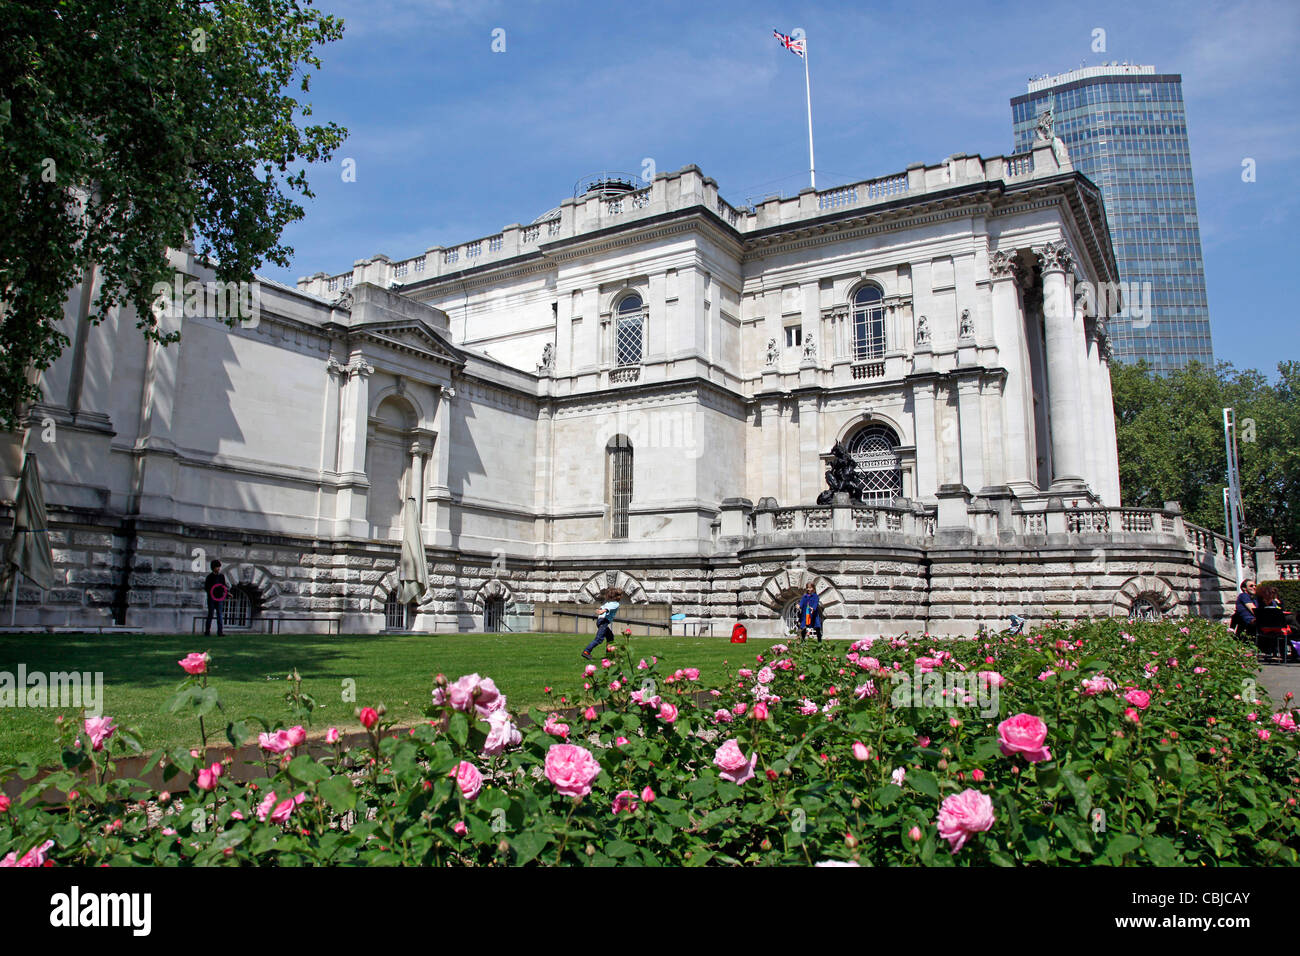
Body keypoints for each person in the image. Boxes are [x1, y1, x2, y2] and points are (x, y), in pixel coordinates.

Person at [203, 559, 227, 637]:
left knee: (220, 615)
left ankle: (220, 632)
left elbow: (223, 586)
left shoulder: (221, 576)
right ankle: (207, 631)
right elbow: (207, 587)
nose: (218, 569)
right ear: (213, 568)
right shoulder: (209, 577)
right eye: (217, 567)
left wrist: (226, 593)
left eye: (219, 567)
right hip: (212, 598)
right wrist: (211, 593)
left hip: (219, 598)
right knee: (210, 614)